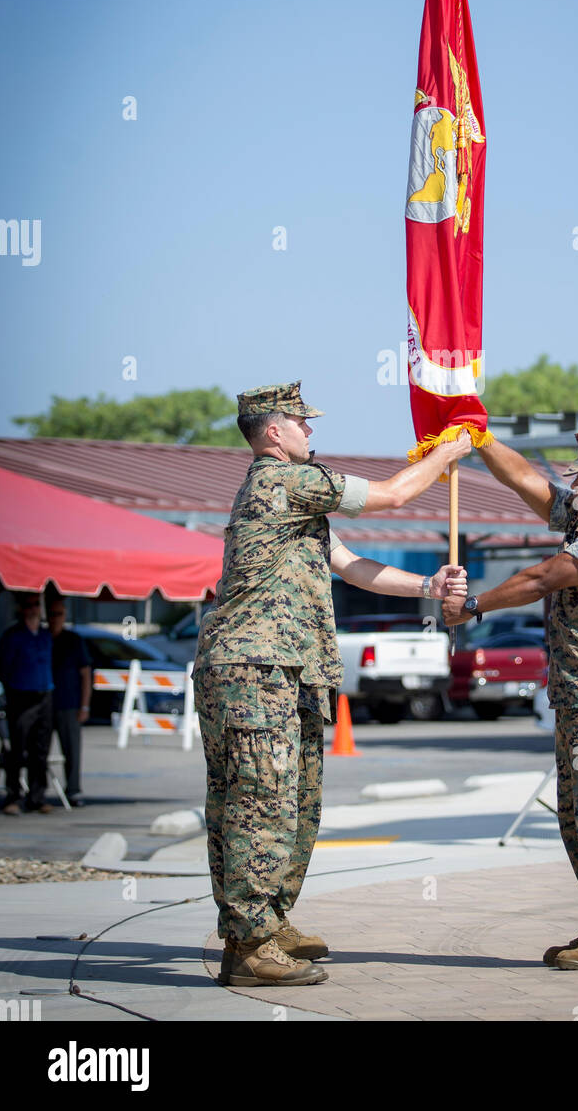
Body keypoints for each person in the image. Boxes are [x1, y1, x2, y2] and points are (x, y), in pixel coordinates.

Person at [194, 382, 471, 988]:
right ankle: (247, 944)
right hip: (254, 670)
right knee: (257, 805)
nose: (310, 432)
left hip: (287, 672)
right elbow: (393, 494)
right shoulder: (281, 481)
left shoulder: (298, 499)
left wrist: (428, 585)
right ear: (274, 431)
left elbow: (351, 566)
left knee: (294, 803)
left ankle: (271, 918)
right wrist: (445, 455)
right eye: (302, 422)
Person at [443, 432, 578, 971]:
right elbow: (524, 480)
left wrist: (474, 604)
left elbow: (544, 577)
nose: (572, 482)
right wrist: (480, 438)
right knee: (575, 813)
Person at [0, 594, 55, 814]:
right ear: (21, 609)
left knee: (40, 749)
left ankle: (37, 797)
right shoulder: (13, 636)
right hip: (21, 695)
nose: (33, 610)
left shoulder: (45, 635)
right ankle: (13, 795)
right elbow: (3, 666)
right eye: (29, 606)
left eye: (36, 606)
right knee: (17, 749)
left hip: (45, 694)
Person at [47, 597, 92, 806]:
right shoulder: (43, 638)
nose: (55, 618)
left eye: (59, 614)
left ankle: (73, 790)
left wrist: (84, 705)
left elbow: (86, 674)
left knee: (72, 749)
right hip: (44, 704)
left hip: (69, 703)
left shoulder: (73, 640)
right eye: (52, 614)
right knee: (39, 750)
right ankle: (37, 792)